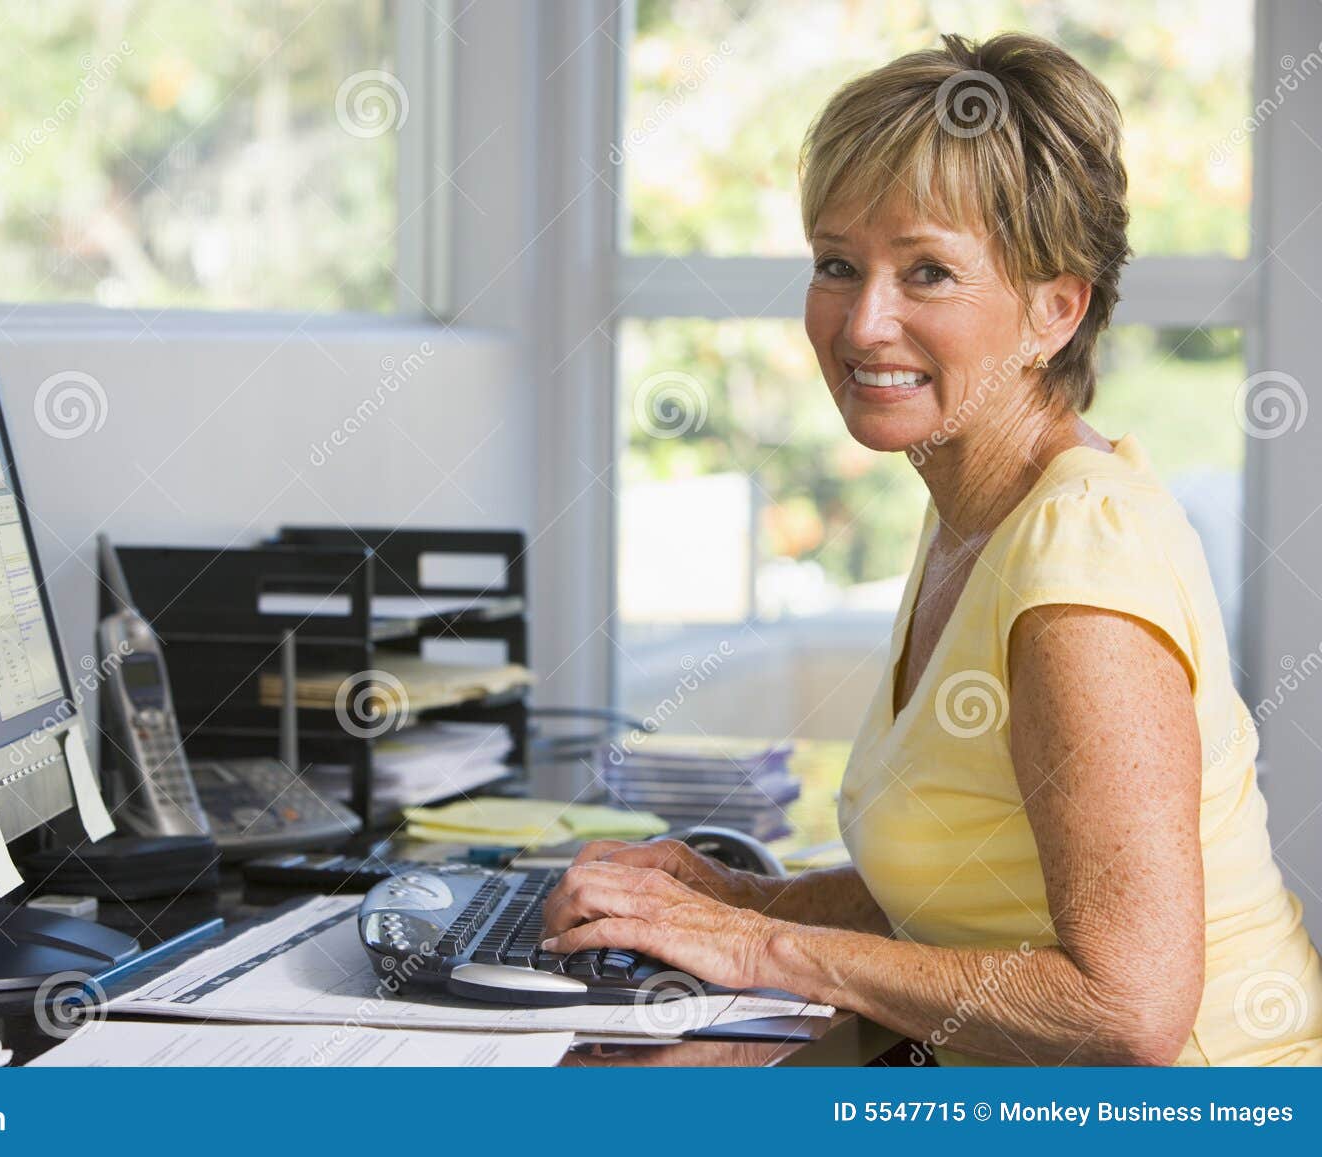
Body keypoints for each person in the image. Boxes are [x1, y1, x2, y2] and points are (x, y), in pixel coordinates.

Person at [542, 31, 1322, 1065]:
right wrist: (737, 896)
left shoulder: (1076, 564)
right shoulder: (973, 501)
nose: (865, 322)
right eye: (836, 264)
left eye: (927, 272)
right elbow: (976, 885)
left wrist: (761, 943)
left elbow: (1126, 1010)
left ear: (1054, 307)